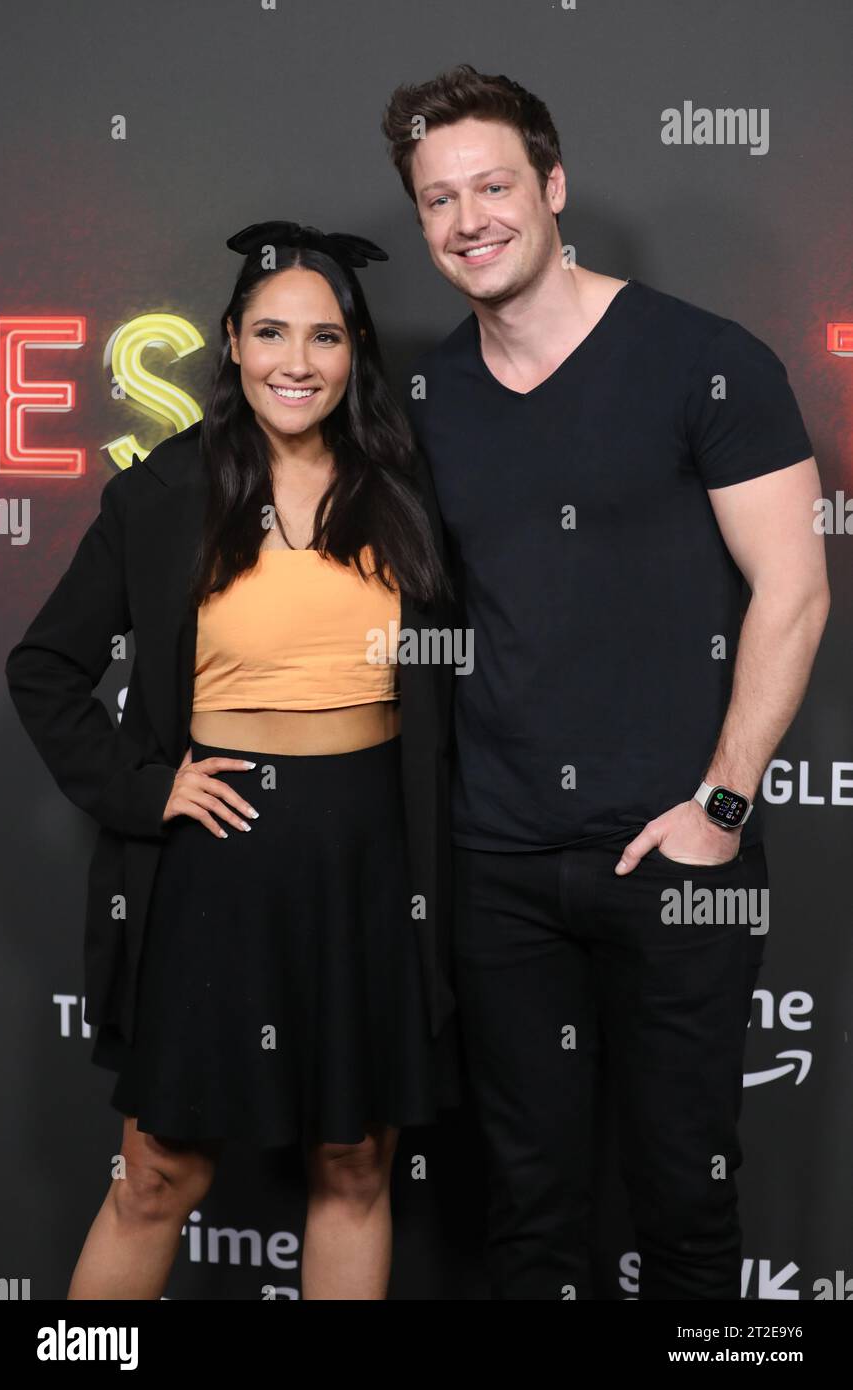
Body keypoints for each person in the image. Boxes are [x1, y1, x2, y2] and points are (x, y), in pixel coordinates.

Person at [381, 65, 830, 1299]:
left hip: (680, 855)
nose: (468, 219)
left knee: (687, 1202)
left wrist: (721, 810)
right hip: (499, 869)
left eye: (492, 186)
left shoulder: (704, 361)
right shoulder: (422, 405)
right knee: (528, 1216)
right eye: (437, 199)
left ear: (552, 187)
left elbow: (793, 594)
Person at [5, 220, 461, 1300]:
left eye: (324, 336)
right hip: (218, 859)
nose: (295, 362)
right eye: (270, 333)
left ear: (355, 352)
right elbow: (45, 668)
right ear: (230, 341)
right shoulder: (162, 495)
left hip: (368, 856)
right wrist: (146, 783)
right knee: (158, 1169)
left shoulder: (406, 488)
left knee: (353, 1162)